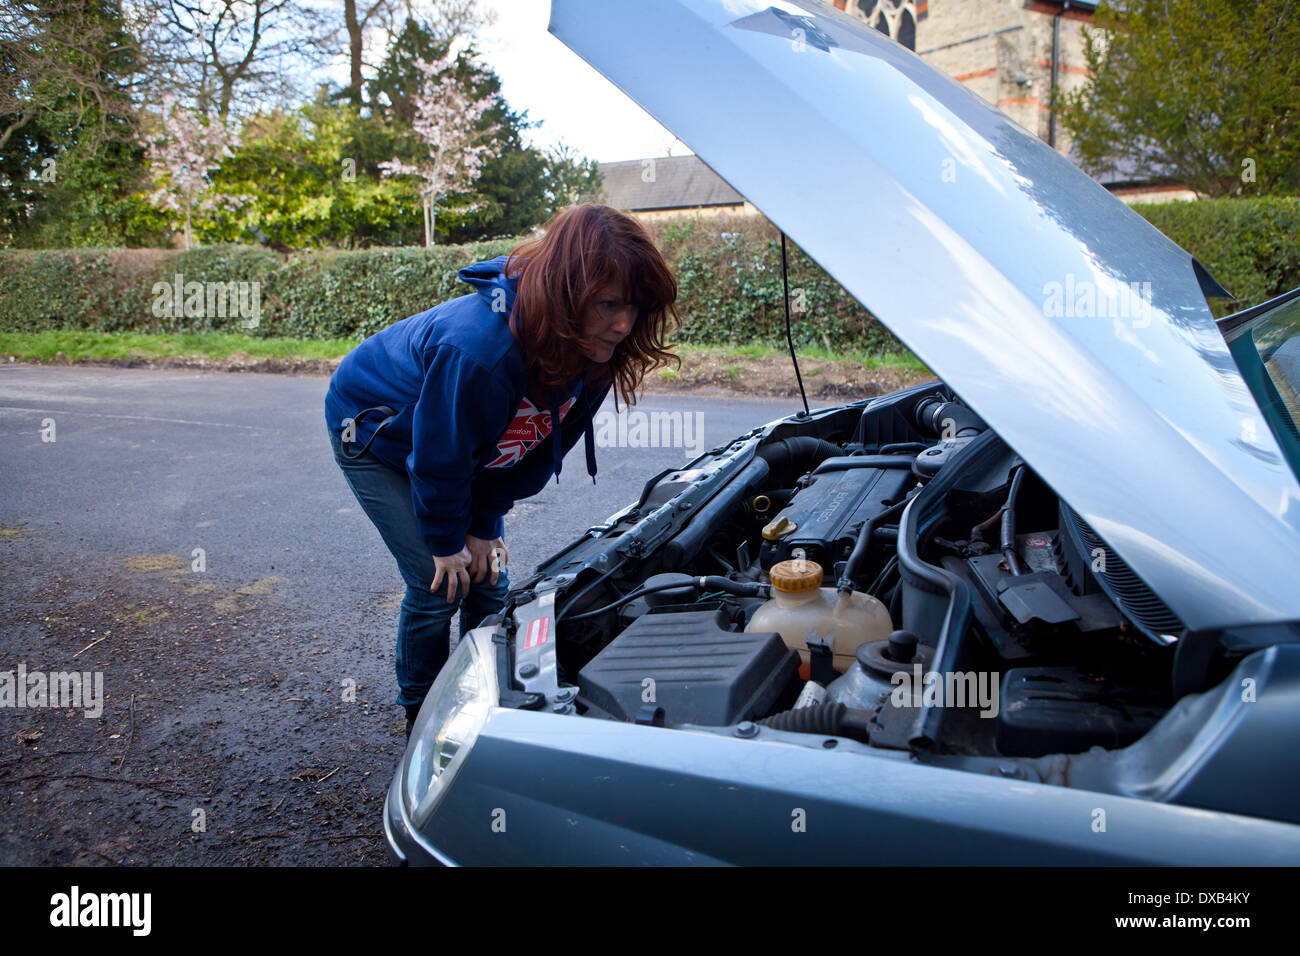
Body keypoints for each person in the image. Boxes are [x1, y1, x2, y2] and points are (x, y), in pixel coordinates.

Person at [324, 203, 680, 737]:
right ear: (567, 294)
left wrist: (484, 525)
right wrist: (447, 543)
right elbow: (442, 459)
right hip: (375, 433)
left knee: (490, 580)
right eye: (609, 304)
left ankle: (480, 703)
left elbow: (531, 451)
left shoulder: (597, 350)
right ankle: (422, 720)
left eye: (634, 307)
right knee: (437, 582)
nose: (625, 324)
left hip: (450, 449)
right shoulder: (478, 350)